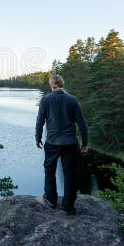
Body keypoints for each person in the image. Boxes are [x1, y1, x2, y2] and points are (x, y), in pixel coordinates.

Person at [35, 73, 88, 215]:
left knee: (50, 170)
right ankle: (68, 205)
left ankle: (51, 200)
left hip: (52, 142)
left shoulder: (46, 100)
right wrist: (85, 143)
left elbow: (40, 121)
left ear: (52, 85)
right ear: (62, 83)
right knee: (69, 173)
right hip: (70, 142)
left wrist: (37, 137)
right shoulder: (72, 100)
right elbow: (82, 124)